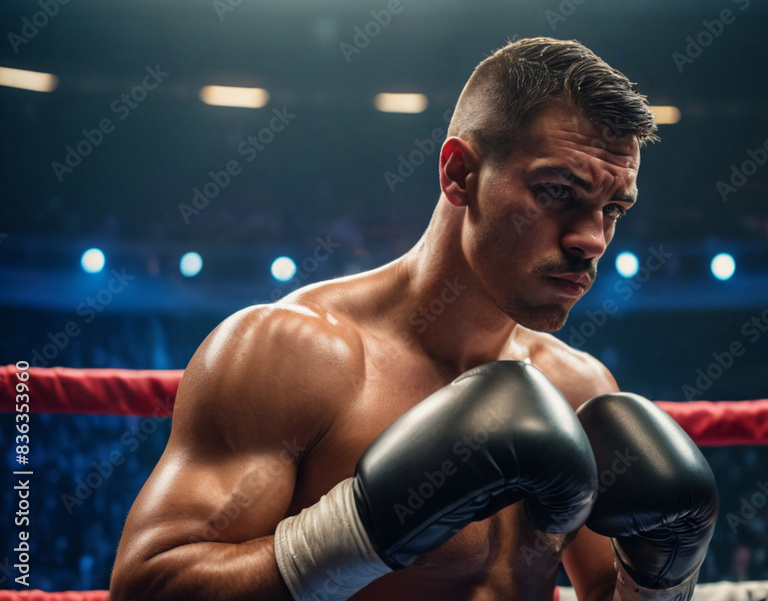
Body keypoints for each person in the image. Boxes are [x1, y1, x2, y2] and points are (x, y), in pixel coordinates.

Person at [110, 37, 718, 601]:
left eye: (613, 208)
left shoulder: (581, 388)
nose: (592, 239)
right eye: (558, 191)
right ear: (460, 174)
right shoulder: (289, 354)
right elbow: (149, 587)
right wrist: (359, 532)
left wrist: (664, 573)